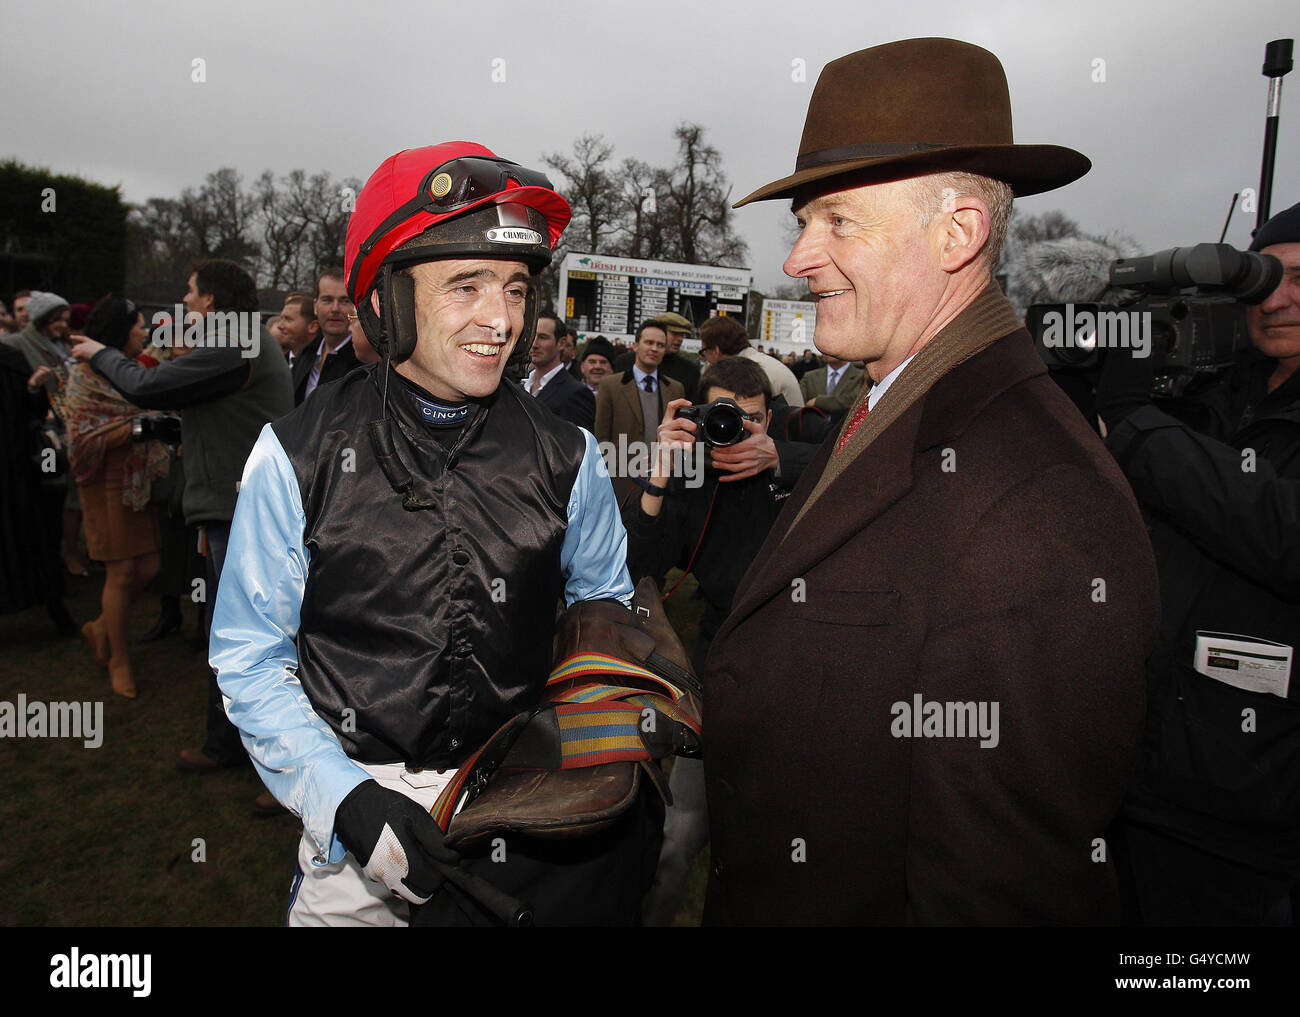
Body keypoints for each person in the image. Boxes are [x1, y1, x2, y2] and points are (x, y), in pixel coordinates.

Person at [702, 38, 1159, 925]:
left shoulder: (1041, 502)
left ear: (958, 233)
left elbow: (1002, 892)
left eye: (836, 220)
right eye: (802, 222)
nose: (797, 258)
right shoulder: (892, 408)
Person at [210, 141, 659, 926]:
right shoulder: (294, 452)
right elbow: (250, 657)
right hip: (354, 822)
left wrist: (591, 770)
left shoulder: (568, 454)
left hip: (523, 803)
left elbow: (603, 618)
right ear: (385, 300)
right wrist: (342, 795)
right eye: (466, 285)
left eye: (516, 289)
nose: (502, 319)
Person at [1096, 200, 1300, 926]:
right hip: (1130, 781)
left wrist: (1140, 428)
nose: (1279, 297)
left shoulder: (1165, 422)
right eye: (1264, 277)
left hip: (1248, 815)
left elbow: (1281, 531)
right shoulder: (1202, 392)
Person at [70, 260, 293, 786]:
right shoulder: (241, 342)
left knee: (244, 639)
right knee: (239, 633)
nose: (186, 302)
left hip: (239, 511)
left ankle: (260, 757)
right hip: (234, 506)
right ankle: (235, 747)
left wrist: (97, 353)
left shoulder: (235, 343)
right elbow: (196, 405)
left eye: (191, 293)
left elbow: (147, 386)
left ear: (212, 302)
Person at [628, 355, 815, 925]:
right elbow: (642, 569)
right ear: (700, 415)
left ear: (772, 416)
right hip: (718, 678)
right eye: (725, 418)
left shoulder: (802, 460)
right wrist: (659, 471)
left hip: (799, 681)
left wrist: (782, 456)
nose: (739, 433)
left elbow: (864, 469)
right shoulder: (692, 480)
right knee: (678, 837)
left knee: (781, 852)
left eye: (753, 419)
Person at [54, 298, 169, 698]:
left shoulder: (132, 368)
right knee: (120, 572)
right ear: (119, 332)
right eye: (138, 326)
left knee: (150, 565)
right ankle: (118, 658)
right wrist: (138, 427)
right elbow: (81, 435)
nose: (144, 332)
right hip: (103, 481)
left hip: (135, 481)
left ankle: (102, 626)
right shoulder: (86, 374)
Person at [594, 320, 686, 507]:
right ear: (635, 346)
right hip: (620, 483)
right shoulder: (610, 386)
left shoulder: (676, 388)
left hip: (662, 483)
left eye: (660, 345)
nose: (654, 349)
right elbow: (601, 438)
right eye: (649, 342)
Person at [698, 315, 803, 408]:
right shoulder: (768, 364)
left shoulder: (747, 372)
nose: (706, 358)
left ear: (716, 351)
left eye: (704, 352)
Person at [292, 268, 361, 404]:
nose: (335, 309)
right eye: (327, 300)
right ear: (315, 307)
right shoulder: (305, 354)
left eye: (344, 301)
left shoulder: (363, 363)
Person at [522, 312, 594, 429]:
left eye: (543, 337)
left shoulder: (575, 393)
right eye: (532, 336)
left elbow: (580, 445)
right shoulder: (520, 385)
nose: (534, 344)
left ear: (561, 343)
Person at [799, 353, 864, 417]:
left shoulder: (863, 377)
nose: (829, 349)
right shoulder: (809, 377)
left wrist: (818, 401)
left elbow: (856, 400)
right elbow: (799, 403)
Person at [277, 293, 319, 363]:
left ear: (313, 327)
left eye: (288, 319)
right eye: (281, 318)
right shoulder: (278, 365)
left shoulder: (319, 366)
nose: (280, 326)